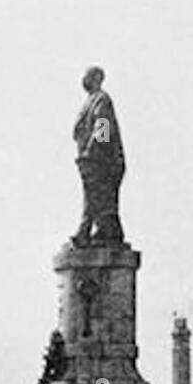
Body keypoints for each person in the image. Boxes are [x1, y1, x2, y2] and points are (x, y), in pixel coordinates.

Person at [70, 66, 126, 248]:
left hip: (102, 160)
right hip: (91, 160)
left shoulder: (101, 100)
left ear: (97, 78)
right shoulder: (90, 101)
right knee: (102, 201)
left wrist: (91, 151)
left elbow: (103, 128)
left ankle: (84, 231)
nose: (83, 80)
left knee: (96, 196)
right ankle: (105, 232)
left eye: (87, 76)